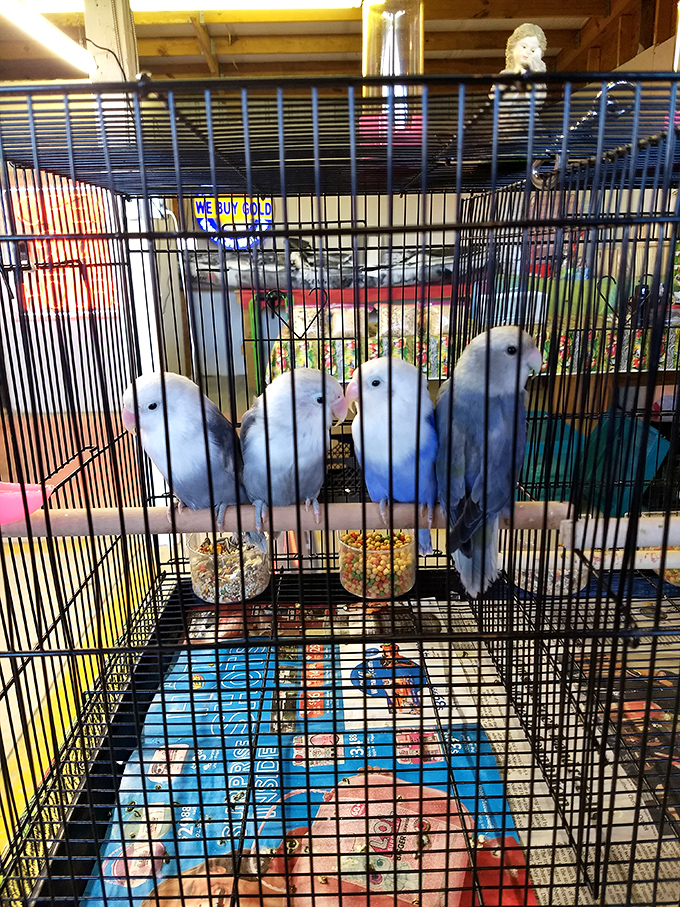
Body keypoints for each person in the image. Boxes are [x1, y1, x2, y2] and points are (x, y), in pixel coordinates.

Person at [490, 23, 547, 106]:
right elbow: (495, 98)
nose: (528, 52)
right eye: (524, 47)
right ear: (513, 48)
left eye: (533, 50)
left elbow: (538, 101)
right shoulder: (505, 75)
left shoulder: (537, 80)